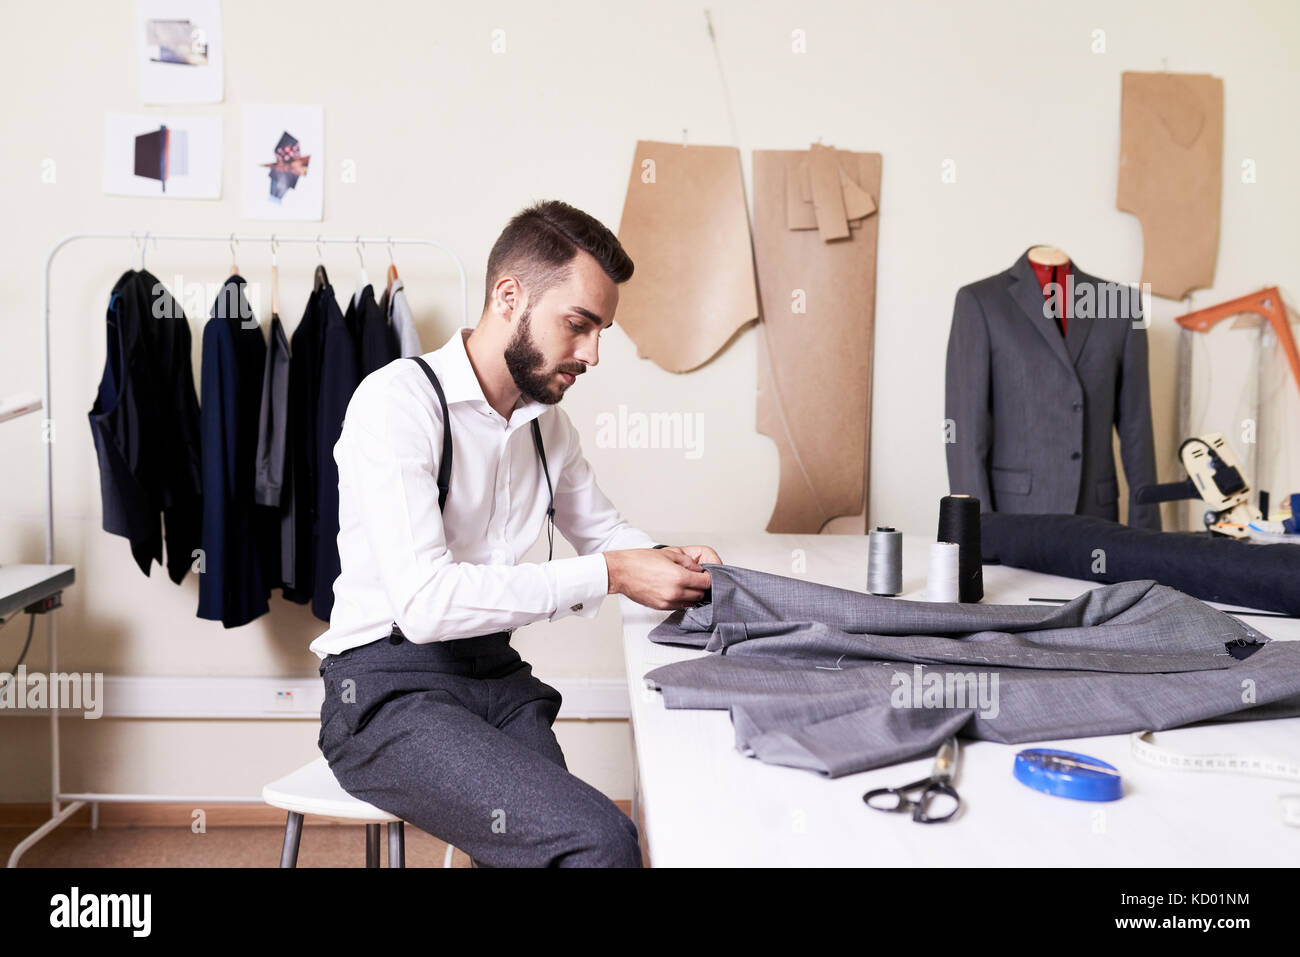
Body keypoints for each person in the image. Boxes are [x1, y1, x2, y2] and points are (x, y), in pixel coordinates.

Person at [311, 199, 722, 867]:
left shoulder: (544, 425)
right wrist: (618, 572)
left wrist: (667, 558)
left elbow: (604, 530)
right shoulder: (397, 405)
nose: (591, 354)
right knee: (599, 840)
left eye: (601, 332)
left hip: (493, 679)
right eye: (578, 325)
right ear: (509, 296)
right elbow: (426, 602)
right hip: (386, 693)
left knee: (558, 843)